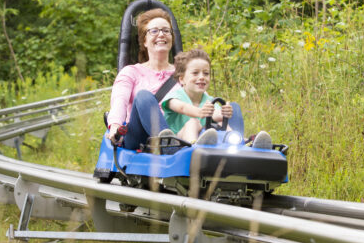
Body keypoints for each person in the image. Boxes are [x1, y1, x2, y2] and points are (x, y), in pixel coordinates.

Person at [161, 48, 271, 149]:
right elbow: (182, 108)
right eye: (195, 73)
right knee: (193, 122)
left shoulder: (209, 100)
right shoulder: (175, 96)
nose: (202, 77)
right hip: (180, 142)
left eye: (206, 73)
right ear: (181, 79)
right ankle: (194, 145)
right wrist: (200, 112)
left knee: (221, 124)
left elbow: (215, 115)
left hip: (206, 138)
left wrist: (224, 113)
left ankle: (243, 143)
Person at [107, 8, 178, 150]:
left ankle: (231, 156)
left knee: (230, 107)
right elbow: (119, 101)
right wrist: (115, 125)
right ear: (144, 41)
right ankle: (171, 149)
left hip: (177, 131)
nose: (161, 35)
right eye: (154, 31)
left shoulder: (183, 74)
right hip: (139, 137)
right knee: (143, 97)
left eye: (166, 30)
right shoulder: (131, 72)